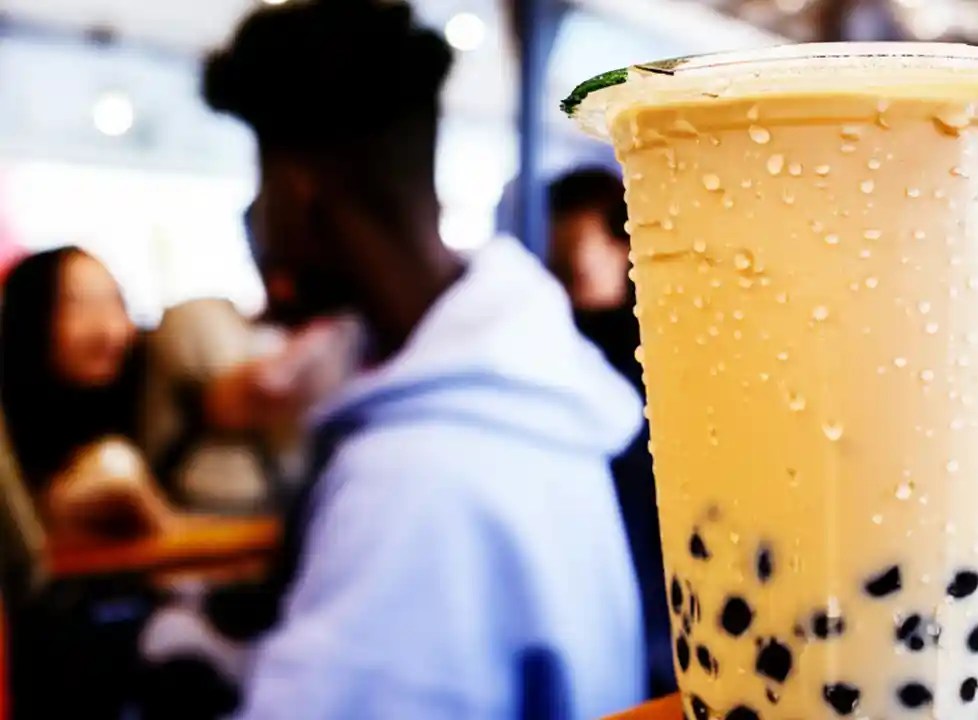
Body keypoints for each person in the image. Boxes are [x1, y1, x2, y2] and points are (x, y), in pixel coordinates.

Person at [202, 1, 645, 717]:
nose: (256, 220)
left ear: (298, 189)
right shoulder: (530, 385)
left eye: (260, 182)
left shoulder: (414, 483)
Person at [548, 169, 673, 695]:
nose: (580, 261)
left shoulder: (661, 340)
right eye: (567, 245)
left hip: (652, 583)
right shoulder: (556, 344)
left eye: (594, 241)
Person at [0, 247, 175, 537]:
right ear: (30, 319)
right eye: (81, 306)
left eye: (116, 304)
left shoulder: (146, 407)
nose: (109, 329)